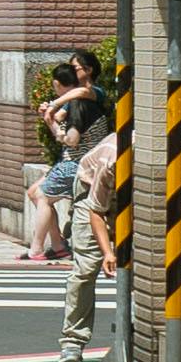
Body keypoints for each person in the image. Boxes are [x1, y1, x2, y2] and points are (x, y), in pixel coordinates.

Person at [52, 119, 127, 362]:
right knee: (86, 267)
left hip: (128, 197)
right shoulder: (111, 161)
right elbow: (96, 211)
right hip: (90, 188)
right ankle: (73, 341)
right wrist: (108, 252)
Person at [27, 55, 111, 261]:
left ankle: (37, 248)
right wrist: (50, 116)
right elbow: (60, 125)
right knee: (34, 193)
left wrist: (54, 106)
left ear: (88, 70)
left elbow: (70, 137)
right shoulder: (74, 102)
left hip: (78, 162)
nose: (73, 72)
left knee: (42, 196)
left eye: (76, 68)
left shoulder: (88, 96)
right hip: (74, 160)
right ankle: (56, 245)